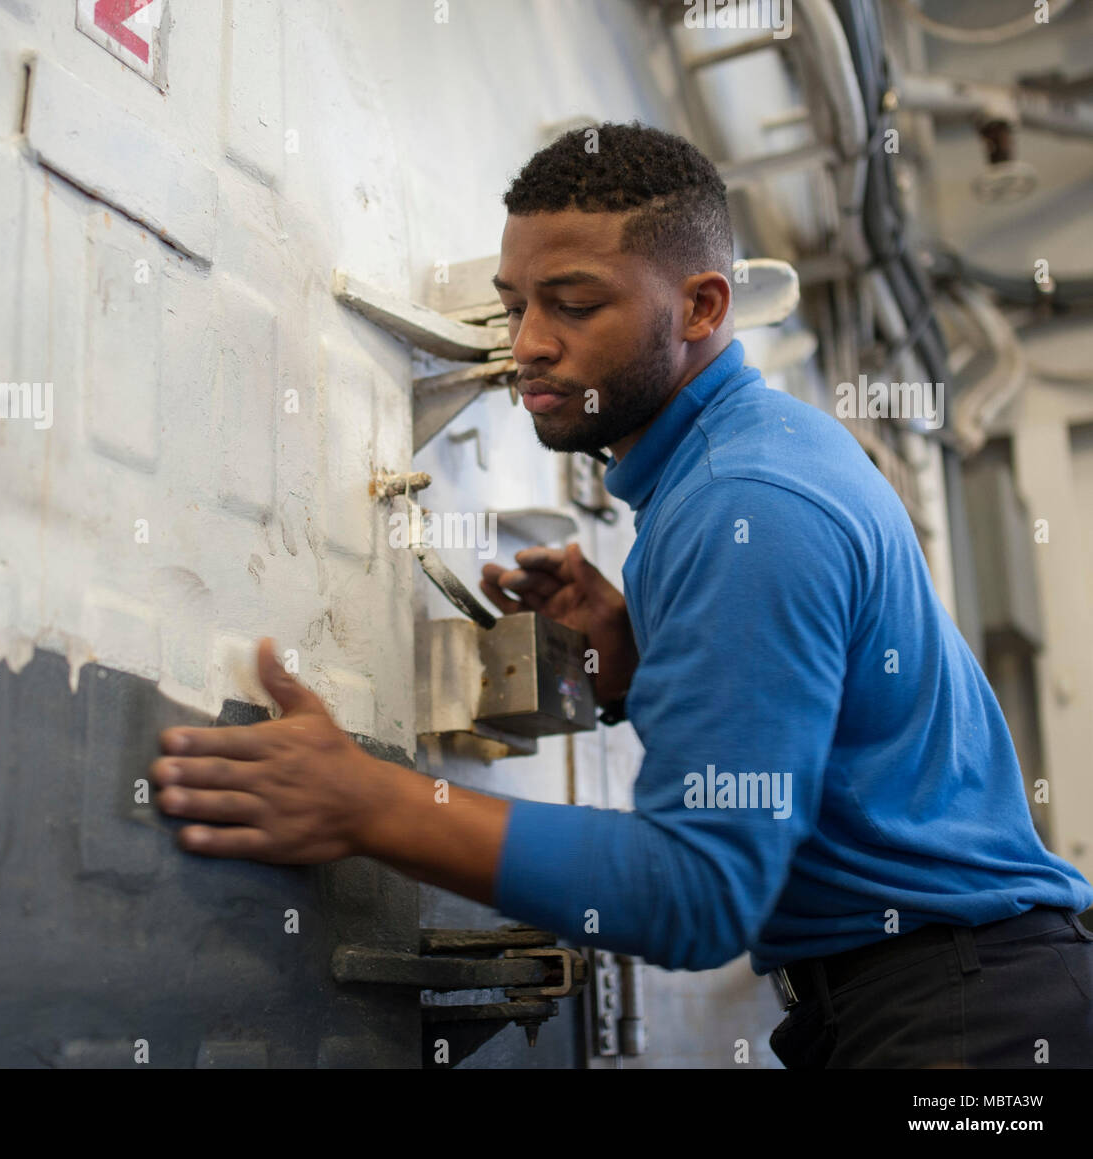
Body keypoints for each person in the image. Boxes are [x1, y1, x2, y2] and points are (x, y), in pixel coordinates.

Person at [150, 121, 1093, 1068]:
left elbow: (698, 894)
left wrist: (368, 802)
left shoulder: (743, 502)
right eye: (515, 303)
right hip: (946, 999)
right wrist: (636, 663)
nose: (528, 344)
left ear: (700, 305)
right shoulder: (740, 464)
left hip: (972, 1027)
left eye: (573, 304)